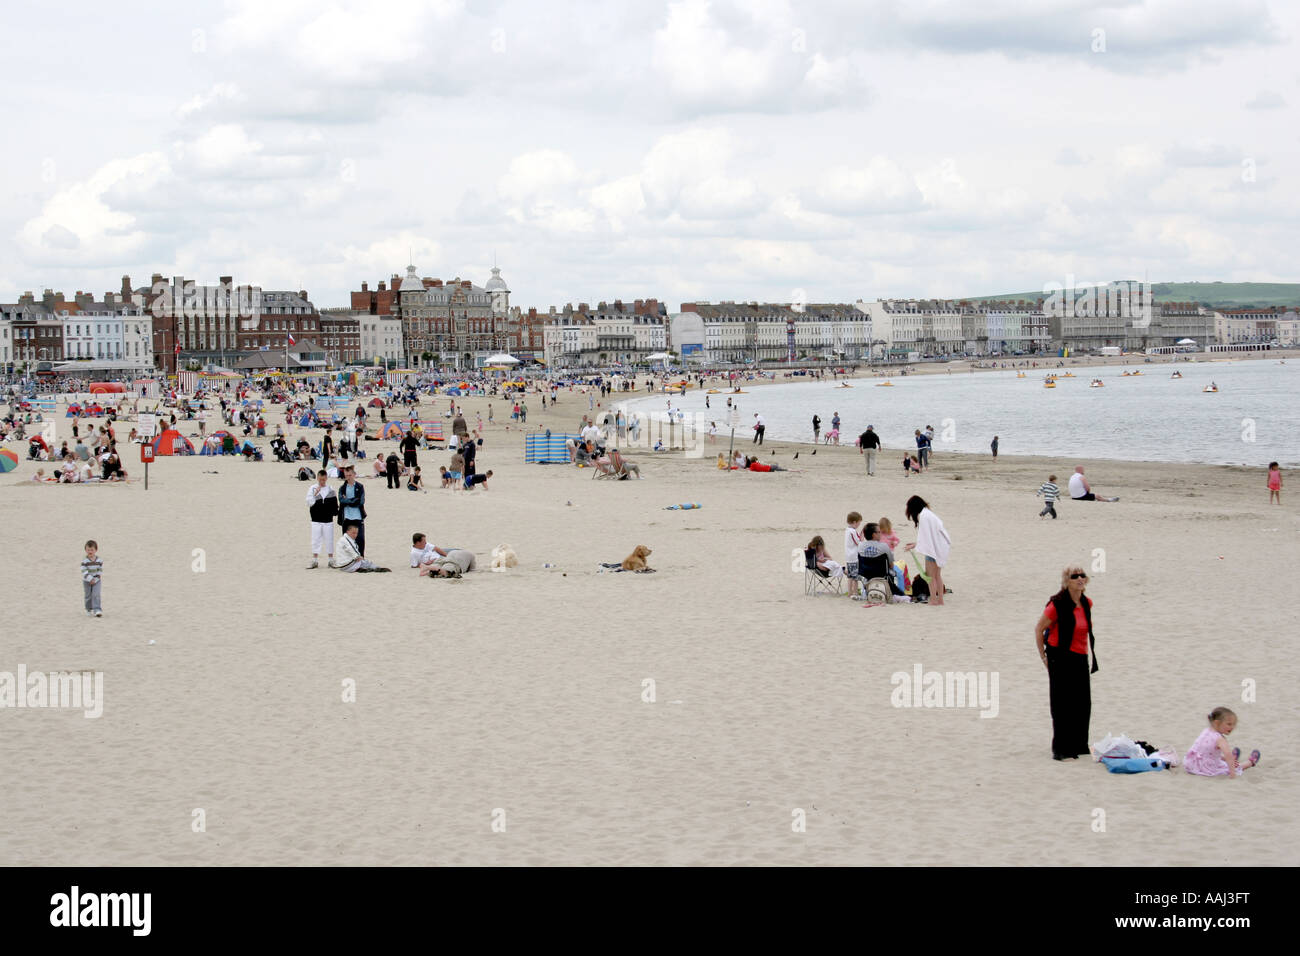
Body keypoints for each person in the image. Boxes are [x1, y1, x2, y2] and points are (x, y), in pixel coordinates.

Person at [1033, 565, 1098, 760]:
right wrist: (1043, 656)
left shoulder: (1087, 603)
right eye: (1074, 576)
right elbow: (1038, 629)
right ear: (1066, 581)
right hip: (1059, 656)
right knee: (1062, 704)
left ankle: (1079, 745)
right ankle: (1061, 748)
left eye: (1082, 576)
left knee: (1082, 703)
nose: (1079, 579)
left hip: (1080, 657)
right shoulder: (1057, 604)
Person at [1185, 707, 1259, 778]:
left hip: (1192, 763)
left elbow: (1207, 751)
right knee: (1236, 767)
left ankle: (1233, 759)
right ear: (1217, 723)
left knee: (1222, 758)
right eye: (1229, 724)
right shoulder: (1220, 739)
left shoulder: (1206, 731)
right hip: (1206, 767)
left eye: (1234, 724)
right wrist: (1232, 773)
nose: (1232, 727)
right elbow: (1228, 755)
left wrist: (1225, 758)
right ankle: (1250, 762)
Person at [904, 495, 950, 605]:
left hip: (933, 548)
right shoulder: (928, 514)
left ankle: (934, 600)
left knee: (930, 577)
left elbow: (926, 537)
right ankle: (940, 600)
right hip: (941, 546)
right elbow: (928, 536)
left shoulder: (924, 516)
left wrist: (916, 545)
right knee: (937, 575)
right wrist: (916, 544)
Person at [305, 470, 337, 569]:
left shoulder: (330, 489)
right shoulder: (312, 488)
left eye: (323, 479)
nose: (322, 481)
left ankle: (331, 560)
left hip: (328, 519)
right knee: (316, 539)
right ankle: (315, 560)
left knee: (329, 539)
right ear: (317, 478)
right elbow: (308, 502)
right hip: (316, 519)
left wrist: (335, 513)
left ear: (326, 478)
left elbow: (335, 504)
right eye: (320, 479)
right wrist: (315, 494)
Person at [337, 467, 367, 556]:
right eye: (346, 475)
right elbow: (341, 500)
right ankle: (348, 558)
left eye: (350, 475)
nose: (348, 477)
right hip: (347, 517)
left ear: (354, 475)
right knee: (346, 540)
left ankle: (361, 557)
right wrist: (353, 500)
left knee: (360, 539)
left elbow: (361, 501)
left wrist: (349, 501)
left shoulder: (360, 486)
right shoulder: (342, 488)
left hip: (357, 516)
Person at [843, 511, 864, 599]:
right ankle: (855, 592)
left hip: (848, 556)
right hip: (853, 557)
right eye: (859, 523)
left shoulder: (847, 530)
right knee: (855, 576)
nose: (859, 524)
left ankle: (850, 592)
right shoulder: (852, 531)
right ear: (855, 522)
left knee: (850, 576)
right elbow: (858, 542)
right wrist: (862, 534)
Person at [81, 539, 103, 618]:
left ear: (95, 550)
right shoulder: (85, 561)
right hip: (87, 581)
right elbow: (84, 571)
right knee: (88, 595)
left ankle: (97, 609)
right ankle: (88, 609)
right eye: (88, 550)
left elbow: (100, 571)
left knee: (96, 594)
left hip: (97, 581)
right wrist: (90, 579)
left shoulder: (99, 560)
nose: (90, 551)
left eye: (92, 550)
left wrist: (95, 579)